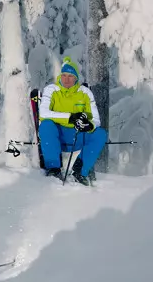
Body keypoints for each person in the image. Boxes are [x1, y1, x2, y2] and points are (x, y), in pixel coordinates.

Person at [37, 56, 107, 185]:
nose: (66, 79)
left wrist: (88, 125)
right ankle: (53, 168)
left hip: (77, 135)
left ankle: (80, 170)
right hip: (57, 135)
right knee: (46, 125)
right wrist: (71, 117)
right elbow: (43, 113)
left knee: (100, 133)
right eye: (64, 75)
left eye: (70, 76)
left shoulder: (85, 92)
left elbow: (96, 120)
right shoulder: (51, 90)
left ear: (76, 78)